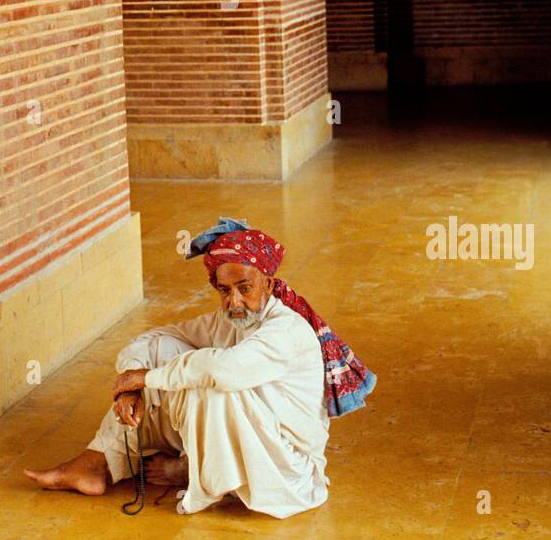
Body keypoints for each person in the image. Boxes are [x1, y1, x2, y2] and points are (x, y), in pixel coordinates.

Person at [23, 218, 376, 519]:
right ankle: (98, 462)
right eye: (224, 290)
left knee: (206, 379)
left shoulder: (287, 330)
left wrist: (150, 378)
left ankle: (192, 470)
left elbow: (225, 370)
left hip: (283, 466)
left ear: (267, 284)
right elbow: (155, 339)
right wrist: (133, 381)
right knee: (168, 353)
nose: (234, 301)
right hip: (249, 436)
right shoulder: (232, 320)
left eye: (245, 288)